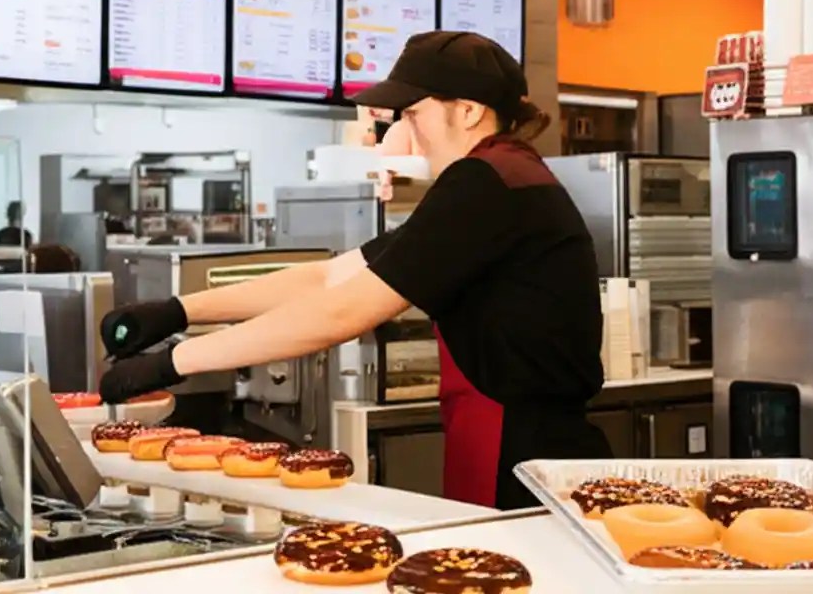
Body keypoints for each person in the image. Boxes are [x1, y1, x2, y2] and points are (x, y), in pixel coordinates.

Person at [98, 32, 611, 509]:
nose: (406, 132)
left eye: (413, 113)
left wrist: (174, 363)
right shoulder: (503, 176)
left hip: (521, 448)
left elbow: (341, 313)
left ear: (470, 110)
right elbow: (330, 277)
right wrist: (178, 310)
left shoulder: (484, 181)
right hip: (515, 437)